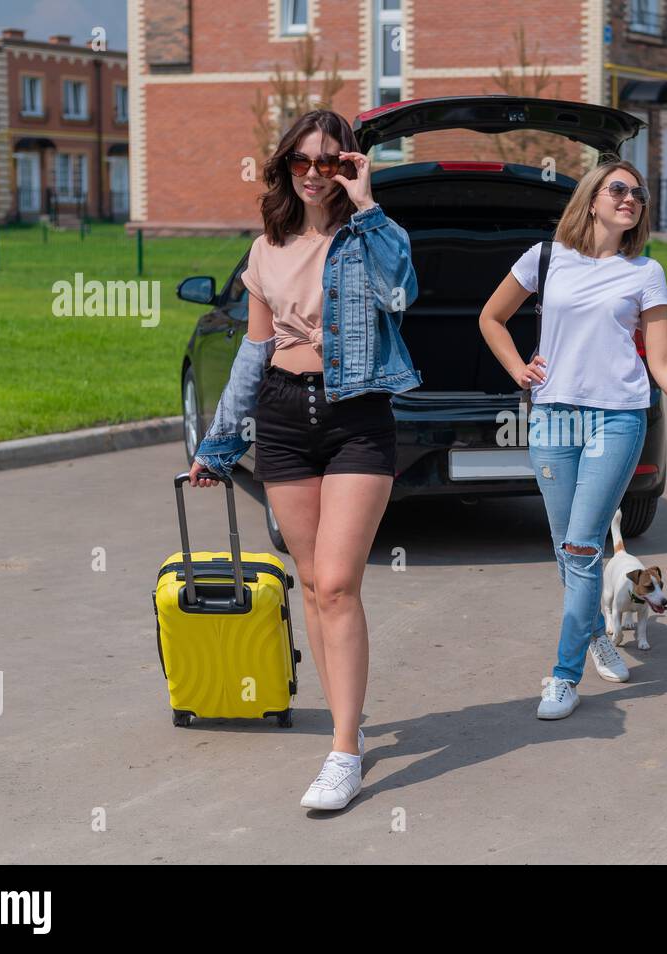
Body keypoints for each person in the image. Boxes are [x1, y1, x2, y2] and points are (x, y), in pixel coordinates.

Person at [188, 109, 422, 810]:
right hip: (285, 417)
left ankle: (344, 751)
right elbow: (254, 353)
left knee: (341, 582)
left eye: (331, 160)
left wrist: (369, 204)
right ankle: (344, 731)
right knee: (314, 587)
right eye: (303, 161)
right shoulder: (267, 246)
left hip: (357, 417)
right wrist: (220, 440)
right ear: (285, 166)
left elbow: (401, 292)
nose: (316, 173)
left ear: (350, 164)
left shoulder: (370, 235)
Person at [478, 159, 667, 720]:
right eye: (618, 189)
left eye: (638, 194)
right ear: (591, 198)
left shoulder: (645, 272)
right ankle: (595, 630)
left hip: (617, 417)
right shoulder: (546, 258)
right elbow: (491, 318)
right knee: (567, 544)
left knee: (582, 544)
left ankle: (564, 675)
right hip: (552, 417)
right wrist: (518, 368)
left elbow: (661, 360)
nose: (630, 199)